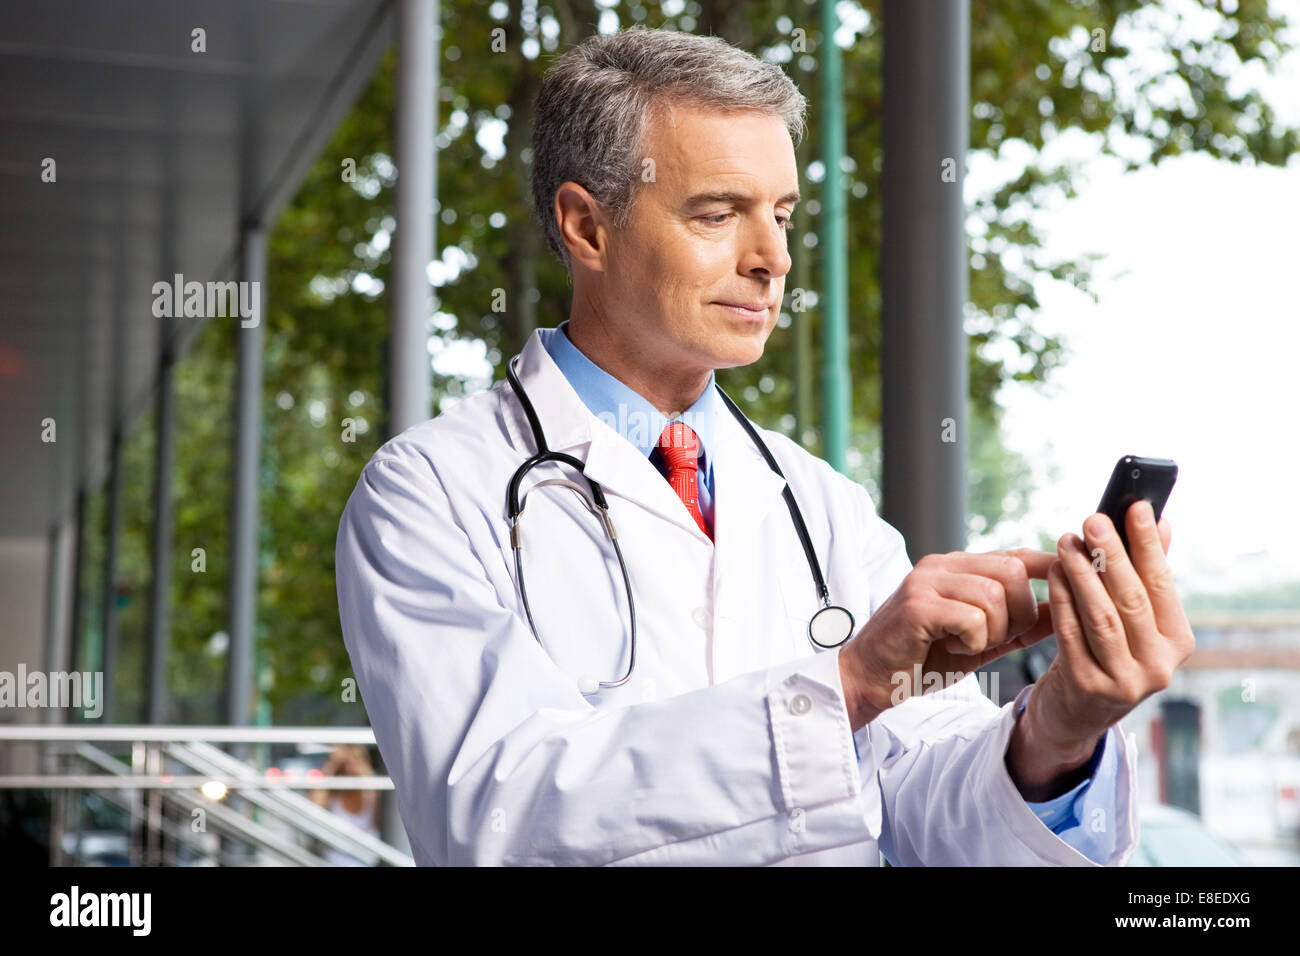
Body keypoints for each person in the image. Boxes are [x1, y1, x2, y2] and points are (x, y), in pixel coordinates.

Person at [335, 26, 1195, 866]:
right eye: (719, 214)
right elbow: (496, 820)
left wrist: (1056, 733)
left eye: (782, 215)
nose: (773, 257)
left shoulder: (820, 504)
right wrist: (850, 685)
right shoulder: (432, 490)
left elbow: (933, 817)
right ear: (586, 228)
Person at [307, 745, 381, 866]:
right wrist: (332, 764)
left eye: (356, 760)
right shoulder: (333, 791)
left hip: (366, 859)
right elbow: (313, 807)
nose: (350, 766)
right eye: (345, 763)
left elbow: (372, 782)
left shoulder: (371, 792)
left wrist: (359, 765)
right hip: (336, 859)